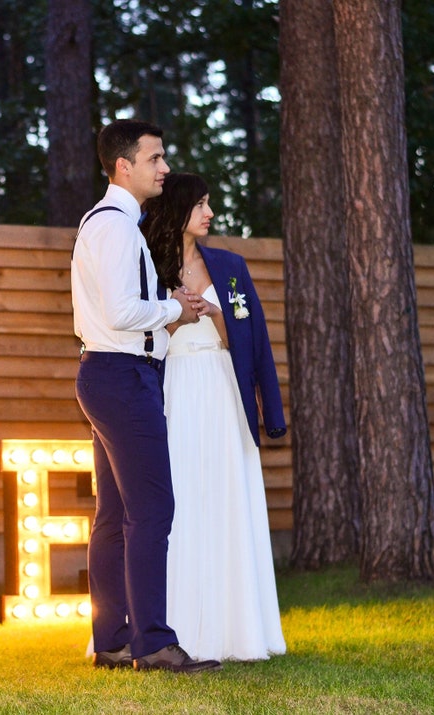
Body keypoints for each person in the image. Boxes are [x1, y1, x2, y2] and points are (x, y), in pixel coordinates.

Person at [71, 120, 221, 674]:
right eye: (155, 159)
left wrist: (163, 300)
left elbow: (123, 305)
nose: (164, 169)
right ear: (123, 166)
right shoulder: (114, 227)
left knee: (113, 514)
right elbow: (120, 314)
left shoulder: (110, 223)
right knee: (151, 510)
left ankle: (112, 639)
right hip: (122, 377)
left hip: (107, 373)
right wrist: (173, 310)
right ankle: (153, 644)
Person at [141, 172, 288, 662]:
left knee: (226, 498)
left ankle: (238, 631)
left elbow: (255, 342)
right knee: (175, 501)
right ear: (178, 208)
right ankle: (167, 631)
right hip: (172, 394)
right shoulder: (145, 262)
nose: (208, 213)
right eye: (200, 204)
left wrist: (212, 313)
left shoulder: (229, 266)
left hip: (225, 393)